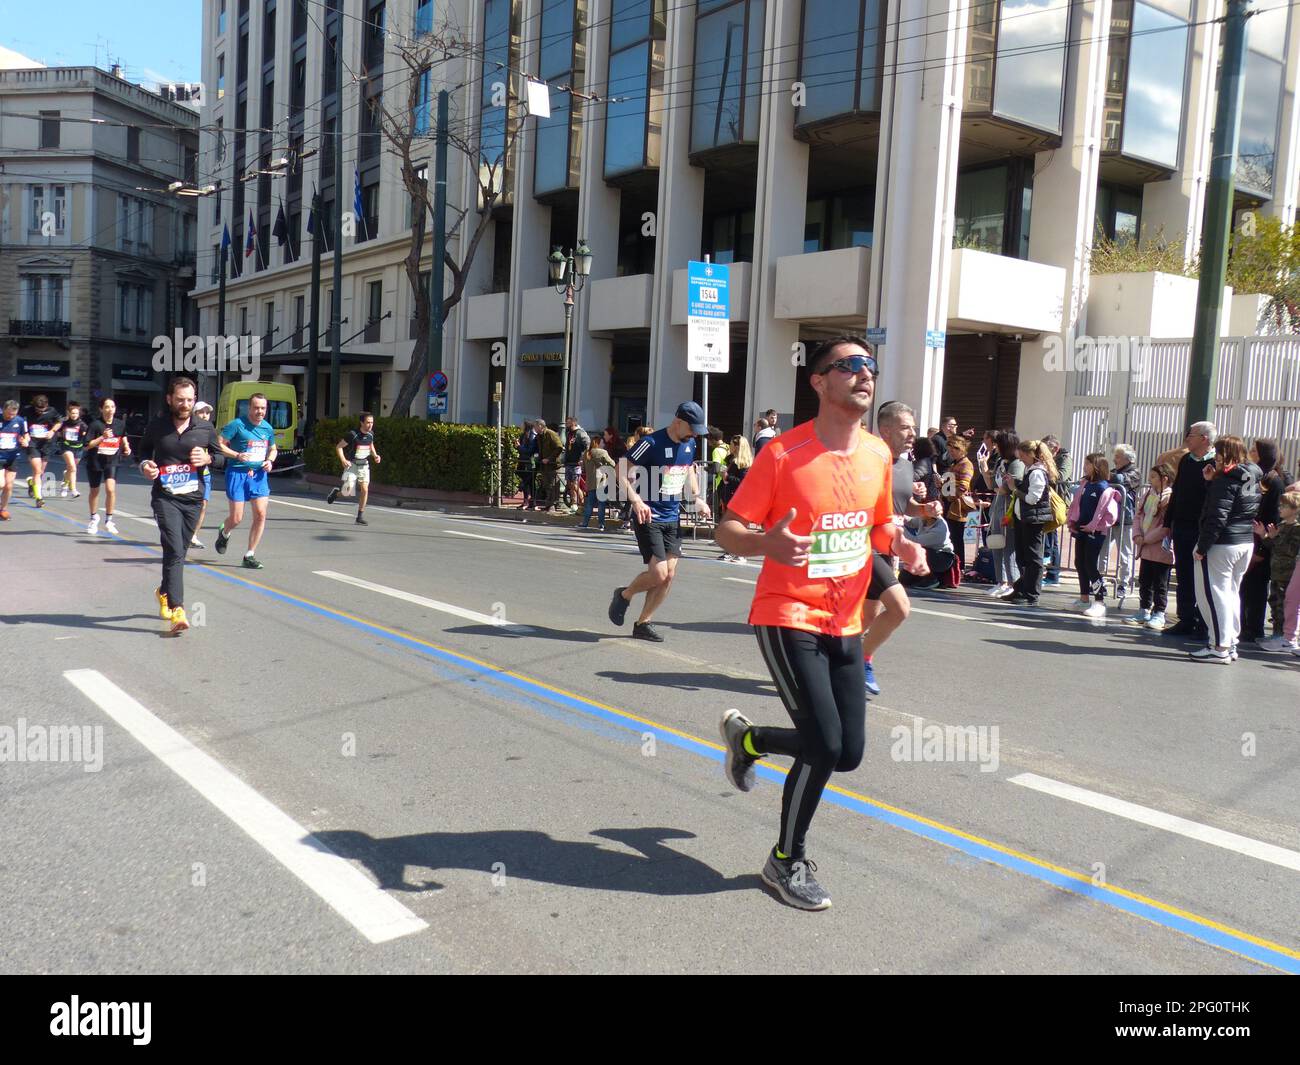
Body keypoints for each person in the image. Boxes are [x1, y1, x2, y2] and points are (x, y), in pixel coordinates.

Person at [713, 335, 924, 910]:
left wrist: (899, 543)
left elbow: (876, 528)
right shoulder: (783, 454)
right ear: (819, 382)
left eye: (869, 366)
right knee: (824, 744)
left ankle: (748, 739)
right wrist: (765, 544)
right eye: (848, 366)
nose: (863, 374)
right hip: (786, 614)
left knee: (847, 751)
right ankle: (786, 861)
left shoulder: (878, 455)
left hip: (846, 619)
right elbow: (727, 530)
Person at [607, 401, 712, 642]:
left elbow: (689, 470)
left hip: (672, 517)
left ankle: (643, 622)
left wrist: (697, 499)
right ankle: (624, 594)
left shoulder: (689, 443)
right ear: (678, 421)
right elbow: (620, 469)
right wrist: (636, 501)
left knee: (670, 575)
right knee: (658, 574)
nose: (695, 433)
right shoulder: (650, 443)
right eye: (692, 427)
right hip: (649, 515)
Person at [859, 400, 940, 695]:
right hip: (863, 544)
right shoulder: (867, 458)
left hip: (891, 544)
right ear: (886, 429)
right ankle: (861, 660)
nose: (912, 434)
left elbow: (904, 504)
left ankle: (834, 656)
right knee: (899, 607)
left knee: (869, 613)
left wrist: (925, 509)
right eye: (906, 427)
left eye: (914, 428)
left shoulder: (906, 465)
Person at [137, 376, 216, 635]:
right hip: (165, 497)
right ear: (170, 399)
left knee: (177, 553)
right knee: (173, 547)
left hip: (193, 500)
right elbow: (143, 453)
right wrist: (146, 466)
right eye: (180, 399)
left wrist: (207, 457)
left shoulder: (205, 428)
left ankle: (163, 591)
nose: (185, 404)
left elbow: (218, 456)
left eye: (190, 400)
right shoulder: (157, 426)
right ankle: (178, 609)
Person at [1190, 435, 1260, 662]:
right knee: (1230, 594)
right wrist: (1213, 481)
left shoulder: (1226, 479)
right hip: (1244, 541)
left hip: (1223, 543)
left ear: (1224, 453)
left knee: (1214, 595)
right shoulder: (1251, 475)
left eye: (1218, 451)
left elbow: (1217, 516)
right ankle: (1230, 644)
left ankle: (1219, 646)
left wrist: (1202, 546)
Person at [1164, 421, 1217, 639]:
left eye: (1191, 435)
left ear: (1204, 438)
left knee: (1203, 577)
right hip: (1182, 526)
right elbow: (1176, 493)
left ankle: (1203, 624)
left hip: (1201, 529)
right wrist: (1168, 523)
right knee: (1184, 574)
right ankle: (1185, 619)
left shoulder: (1215, 462)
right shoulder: (1186, 460)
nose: (1187, 438)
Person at [214, 392, 278, 568]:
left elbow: (273, 449)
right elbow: (218, 444)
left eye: (263, 408)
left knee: (261, 514)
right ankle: (225, 531)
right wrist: (237, 455)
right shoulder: (237, 425)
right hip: (237, 473)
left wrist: (269, 461)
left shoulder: (267, 428)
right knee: (236, 518)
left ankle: (249, 555)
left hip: (258, 475)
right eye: (256, 407)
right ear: (249, 408)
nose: (260, 411)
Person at [1240, 439, 1288, 642]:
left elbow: (1272, 517)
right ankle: (1243, 626)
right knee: (1245, 588)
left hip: (1263, 543)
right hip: (1250, 538)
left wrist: (1261, 549)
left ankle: (1254, 628)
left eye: (1254, 450)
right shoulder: (1254, 476)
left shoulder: (1273, 481)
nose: (1250, 453)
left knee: (1257, 589)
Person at [1003, 440, 1059, 606]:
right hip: (1024, 518)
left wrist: (1014, 488)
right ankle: (1021, 589)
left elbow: (1032, 498)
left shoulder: (1037, 472)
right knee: (1022, 556)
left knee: (1033, 558)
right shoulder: (1030, 470)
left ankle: (1031, 594)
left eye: (1022, 456)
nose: (1020, 460)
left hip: (1033, 520)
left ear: (1030, 454)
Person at [1067, 454, 1122, 618]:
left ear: (1097, 466)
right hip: (1081, 530)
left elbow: (1110, 515)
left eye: (1088, 463)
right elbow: (1077, 504)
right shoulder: (1085, 483)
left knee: (1090, 565)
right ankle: (1084, 598)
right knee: (1079, 562)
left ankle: (1099, 601)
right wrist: (1073, 521)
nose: (1084, 466)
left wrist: (1095, 526)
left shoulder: (1103, 487)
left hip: (1095, 532)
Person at [1125, 463, 1176, 630]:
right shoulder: (1148, 494)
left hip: (1160, 547)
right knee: (1145, 580)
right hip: (1145, 546)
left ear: (1165, 479)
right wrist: (1137, 534)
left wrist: (1147, 538)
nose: (1150, 480)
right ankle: (1144, 609)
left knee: (1160, 582)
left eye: (1154, 477)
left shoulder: (1170, 497)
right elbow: (1138, 515)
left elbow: (1166, 526)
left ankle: (1159, 612)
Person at [1256, 490, 1300, 652]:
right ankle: (1277, 632)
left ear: (1294, 509)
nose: (1280, 509)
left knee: (1285, 604)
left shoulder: (1296, 529)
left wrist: (1274, 537)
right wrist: (1264, 536)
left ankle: (1283, 635)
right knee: (1275, 602)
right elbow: (1273, 547)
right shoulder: (1281, 526)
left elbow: (1290, 550)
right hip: (1276, 572)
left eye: (1284, 506)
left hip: (1288, 574)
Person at [326, 411, 382, 524]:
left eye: (372, 422)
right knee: (347, 492)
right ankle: (336, 493)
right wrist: (343, 460)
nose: (370, 425)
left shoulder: (371, 434)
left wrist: (375, 455)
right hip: (352, 465)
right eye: (368, 422)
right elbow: (339, 447)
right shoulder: (353, 434)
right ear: (361, 422)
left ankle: (359, 517)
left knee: (365, 489)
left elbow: (370, 445)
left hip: (364, 465)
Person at [85, 397, 129, 536]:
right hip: (95, 461)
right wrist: (102, 437)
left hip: (112, 460)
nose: (110, 410)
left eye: (112, 407)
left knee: (110, 489)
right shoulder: (95, 425)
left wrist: (127, 447)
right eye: (107, 407)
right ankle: (93, 518)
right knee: (95, 491)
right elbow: (87, 445)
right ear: (101, 409)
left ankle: (109, 520)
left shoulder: (120, 424)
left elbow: (123, 437)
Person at [987, 430, 1023, 597]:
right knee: (996, 543)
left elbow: (1007, 487)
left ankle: (1012, 581)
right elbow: (993, 485)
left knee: (1008, 545)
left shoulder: (1017, 463)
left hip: (1009, 506)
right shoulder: (1001, 461)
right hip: (998, 504)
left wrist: (1001, 488)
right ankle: (1001, 581)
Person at [1110, 444, 1141, 596]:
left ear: (1127, 459)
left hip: (1125, 518)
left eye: (1118, 456)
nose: (1114, 460)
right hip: (1109, 518)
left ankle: (1124, 582)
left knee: (1125, 552)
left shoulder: (1134, 472)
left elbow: (1121, 481)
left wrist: (1105, 475)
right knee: (1102, 551)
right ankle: (1098, 580)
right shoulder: (1113, 471)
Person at [944, 434, 977, 574]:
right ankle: (955, 567)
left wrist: (950, 496)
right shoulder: (956, 463)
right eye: (950, 449)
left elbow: (963, 486)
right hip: (951, 505)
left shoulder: (965, 464)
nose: (951, 452)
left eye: (954, 449)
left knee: (956, 539)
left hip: (957, 507)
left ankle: (959, 568)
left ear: (962, 449)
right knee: (953, 538)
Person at [21, 394, 62, 508]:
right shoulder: (27, 410)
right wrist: (24, 435)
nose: (40, 412)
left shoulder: (52, 411)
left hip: (46, 444)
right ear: (34, 406)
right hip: (33, 443)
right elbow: (20, 422)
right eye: (38, 410)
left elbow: (59, 422)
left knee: (40, 472)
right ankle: (39, 498)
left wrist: (52, 431)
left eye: (42, 410)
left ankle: (31, 483)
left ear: (46, 406)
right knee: (38, 471)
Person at [1042, 434, 1071, 584]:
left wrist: (1047, 464)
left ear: (1055, 449)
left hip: (1057, 502)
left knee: (1052, 538)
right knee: (1047, 537)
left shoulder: (1065, 458)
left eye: (1047, 450)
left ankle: (1053, 574)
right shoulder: (1047, 459)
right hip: (1045, 501)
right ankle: (1048, 571)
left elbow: (1060, 477)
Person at [189, 401, 215, 548]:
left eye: (207, 412)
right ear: (194, 414)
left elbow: (217, 452)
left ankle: (193, 536)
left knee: (203, 506)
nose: (205, 415)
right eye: (201, 412)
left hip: (204, 474)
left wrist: (209, 458)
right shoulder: (187, 430)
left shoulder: (210, 431)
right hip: (188, 475)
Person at [0, 400, 30, 521]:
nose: (10, 417)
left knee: (8, 485)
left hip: (13, 456)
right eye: (8, 414)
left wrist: (25, 441)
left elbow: (26, 434)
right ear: (4, 410)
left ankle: (3, 509)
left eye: (13, 414)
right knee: (1, 483)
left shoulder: (20, 421)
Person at [577, 437, 615, 531]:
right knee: (601, 504)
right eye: (602, 442)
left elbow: (584, 468)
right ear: (598, 443)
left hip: (590, 481)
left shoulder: (587, 453)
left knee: (589, 503)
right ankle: (601, 524)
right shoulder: (603, 452)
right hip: (601, 480)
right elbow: (612, 463)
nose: (603, 444)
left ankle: (585, 523)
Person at [56, 401, 88, 498]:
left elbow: (85, 437)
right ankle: (73, 490)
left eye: (76, 413)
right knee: (73, 468)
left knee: (70, 469)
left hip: (78, 448)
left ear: (79, 414)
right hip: (66, 447)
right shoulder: (64, 423)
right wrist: (60, 439)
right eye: (73, 413)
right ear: (69, 413)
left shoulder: (83, 425)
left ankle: (65, 484)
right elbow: (59, 434)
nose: (74, 415)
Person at [535, 418, 564, 512]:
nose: (534, 428)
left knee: (553, 485)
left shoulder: (551, 434)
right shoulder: (539, 436)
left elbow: (559, 447)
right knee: (547, 485)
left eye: (535, 426)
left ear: (540, 426)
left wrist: (549, 458)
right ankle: (548, 504)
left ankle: (553, 505)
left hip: (552, 465)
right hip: (544, 465)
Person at [563, 415, 590, 510]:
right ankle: (574, 504)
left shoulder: (580, 433)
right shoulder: (569, 433)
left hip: (577, 463)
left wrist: (583, 458)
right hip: (569, 462)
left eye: (568, 423)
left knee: (575, 484)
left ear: (574, 423)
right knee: (570, 485)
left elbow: (588, 445)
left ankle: (582, 504)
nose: (566, 424)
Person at [516, 420, 539, 510]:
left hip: (530, 462)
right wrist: (518, 446)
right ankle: (527, 501)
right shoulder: (523, 436)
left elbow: (529, 451)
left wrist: (519, 446)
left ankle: (531, 502)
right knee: (528, 482)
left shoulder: (532, 436)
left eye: (522, 425)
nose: (521, 426)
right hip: (523, 461)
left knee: (529, 482)